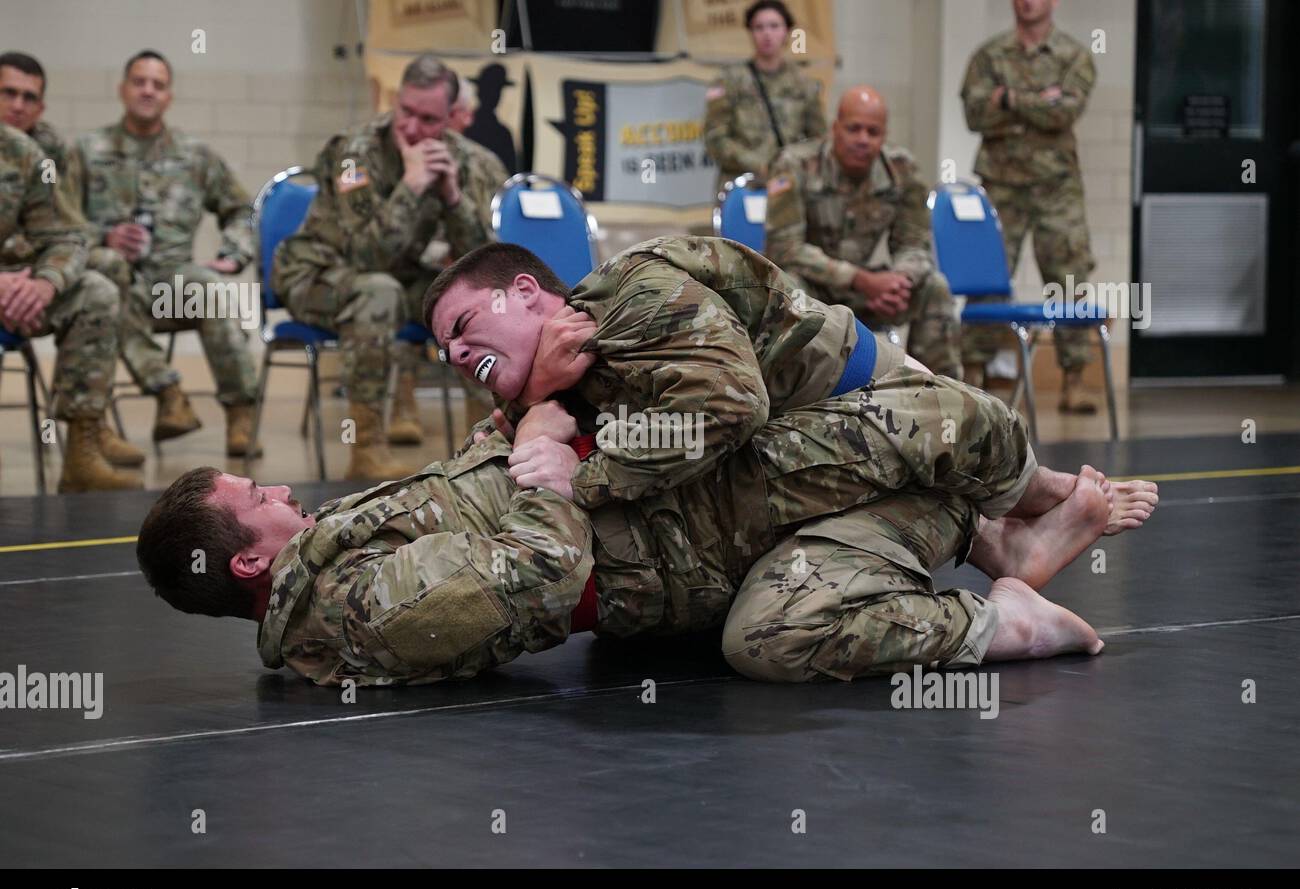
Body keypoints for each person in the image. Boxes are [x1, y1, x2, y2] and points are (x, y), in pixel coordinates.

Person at [136, 394, 1158, 687]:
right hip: (668, 545)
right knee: (923, 432)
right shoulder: (353, 607)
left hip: (645, 505)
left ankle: (1004, 537)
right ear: (246, 560)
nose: (278, 486)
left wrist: (510, 433)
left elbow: (462, 507)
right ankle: (999, 581)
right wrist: (541, 443)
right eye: (254, 493)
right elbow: (536, 573)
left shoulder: (327, 563)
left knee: (876, 425)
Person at [424, 236, 922, 512]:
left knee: (990, 523)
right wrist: (535, 393)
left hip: (882, 394)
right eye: (448, 354)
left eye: (463, 327)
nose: (460, 354)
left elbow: (730, 408)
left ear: (526, 290)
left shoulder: (634, 292)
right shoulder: (543, 386)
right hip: (812, 438)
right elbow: (470, 471)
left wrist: (586, 476)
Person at [272, 54, 507, 480]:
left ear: (451, 116)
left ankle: (491, 436)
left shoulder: (466, 160)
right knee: (378, 290)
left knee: (474, 297)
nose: (414, 128)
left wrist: (453, 198)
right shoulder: (353, 154)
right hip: (317, 273)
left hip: (395, 277)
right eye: (407, 112)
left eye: (430, 119)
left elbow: (483, 264)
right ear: (396, 101)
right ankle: (366, 447)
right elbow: (366, 255)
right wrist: (412, 185)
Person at [76, 49, 261, 454]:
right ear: (122, 89)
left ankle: (242, 415)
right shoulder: (87, 152)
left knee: (210, 288)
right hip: (115, 281)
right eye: (139, 82)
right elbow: (60, 224)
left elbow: (241, 210)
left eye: (157, 85)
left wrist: (234, 253)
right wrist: (103, 237)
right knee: (103, 291)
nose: (148, 91)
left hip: (172, 283)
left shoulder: (194, 156)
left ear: (169, 97)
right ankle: (169, 395)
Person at [0, 50, 145, 467]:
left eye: (28, 97)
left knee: (100, 283)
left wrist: (42, 284)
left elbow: (68, 229)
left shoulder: (33, 152)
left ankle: (85, 442)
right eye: (8, 93)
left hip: (23, 276)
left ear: (41, 106)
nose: (17, 105)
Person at [765, 85, 963, 378]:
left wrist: (898, 282)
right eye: (853, 129)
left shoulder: (901, 169)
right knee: (790, 291)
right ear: (835, 128)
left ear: (884, 135)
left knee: (934, 287)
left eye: (873, 132)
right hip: (814, 290)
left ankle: (936, 398)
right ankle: (798, 400)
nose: (862, 140)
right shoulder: (794, 165)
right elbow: (785, 248)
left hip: (872, 294)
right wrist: (861, 280)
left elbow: (915, 246)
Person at [960, 0, 1100, 412]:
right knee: (987, 280)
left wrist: (1006, 99)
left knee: (1069, 278)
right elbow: (973, 114)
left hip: (1058, 185)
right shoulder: (989, 54)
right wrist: (1041, 99)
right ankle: (974, 377)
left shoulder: (1074, 55)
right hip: (1001, 183)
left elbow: (1065, 113)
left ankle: (1073, 382)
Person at [703, 0, 825, 190]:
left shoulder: (803, 84)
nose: (767, 34)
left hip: (788, 186)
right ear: (750, 33)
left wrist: (792, 160)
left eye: (774, 26)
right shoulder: (729, 81)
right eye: (759, 27)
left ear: (787, 32)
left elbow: (818, 139)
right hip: (742, 183)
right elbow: (715, 138)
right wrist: (759, 164)